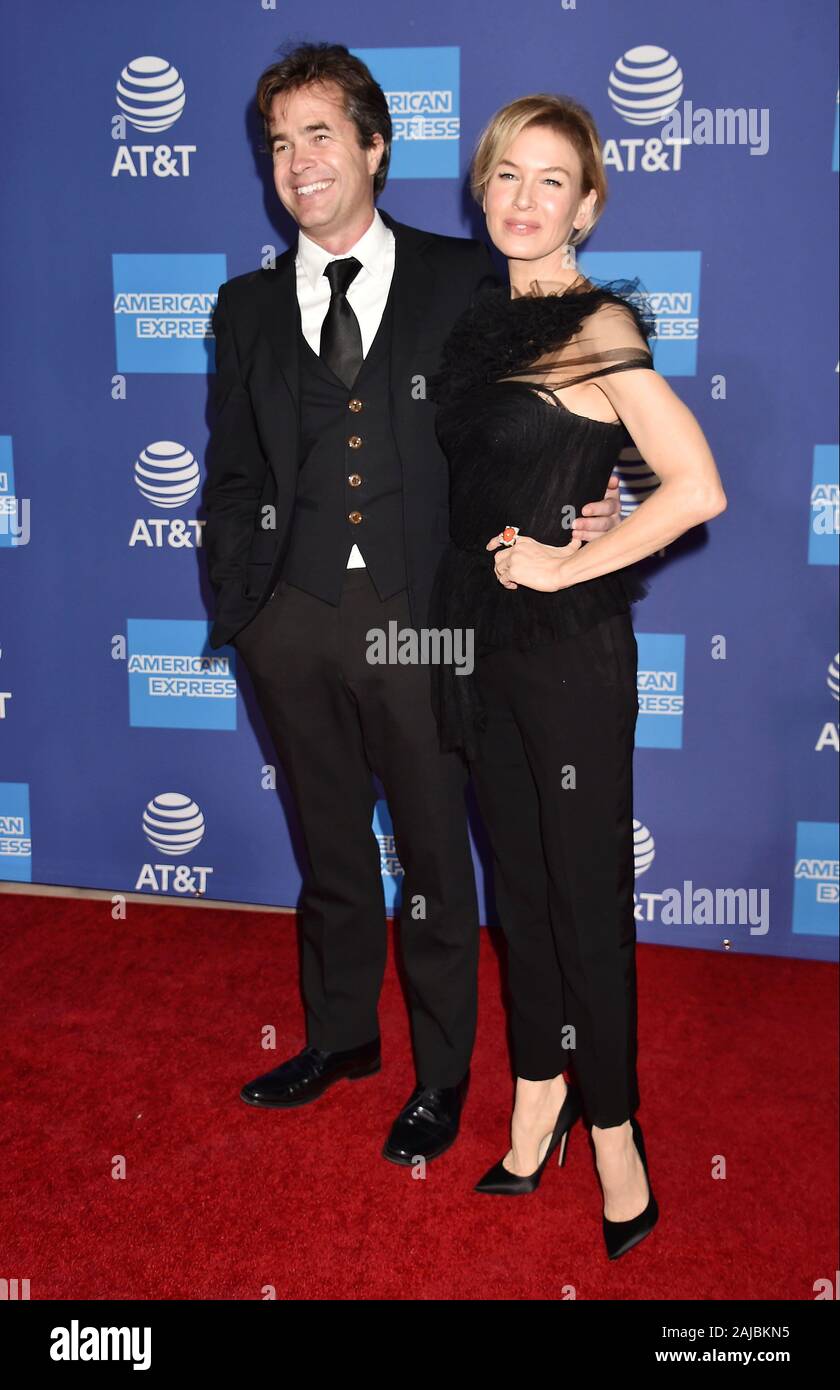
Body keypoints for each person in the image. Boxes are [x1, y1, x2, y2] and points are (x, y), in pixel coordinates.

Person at [203, 45, 624, 1166]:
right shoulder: (242, 308)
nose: (299, 162)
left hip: (426, 616)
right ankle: (341, 1038)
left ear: (376, 147)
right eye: (279, 143)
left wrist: (600, 500)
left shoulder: (466, 279)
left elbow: (558, 410)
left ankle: (441, 1078)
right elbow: (233, 469)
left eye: (321, 135)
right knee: (330, 849)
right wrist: (243, 610)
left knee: (437, 859)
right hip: (289, 624)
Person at [426, 93, 726, 1256]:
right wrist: (574, 506)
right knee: (526, 892)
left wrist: (574, 559)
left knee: (587, 896)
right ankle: (538, 1088)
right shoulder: (475, 327)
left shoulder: (599, 328)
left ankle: (614, 1128)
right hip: (476, 645)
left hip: (567, 656)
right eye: (506, 175)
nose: (522, 199)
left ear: (589, 206)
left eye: (552, 181)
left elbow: (695, 485)